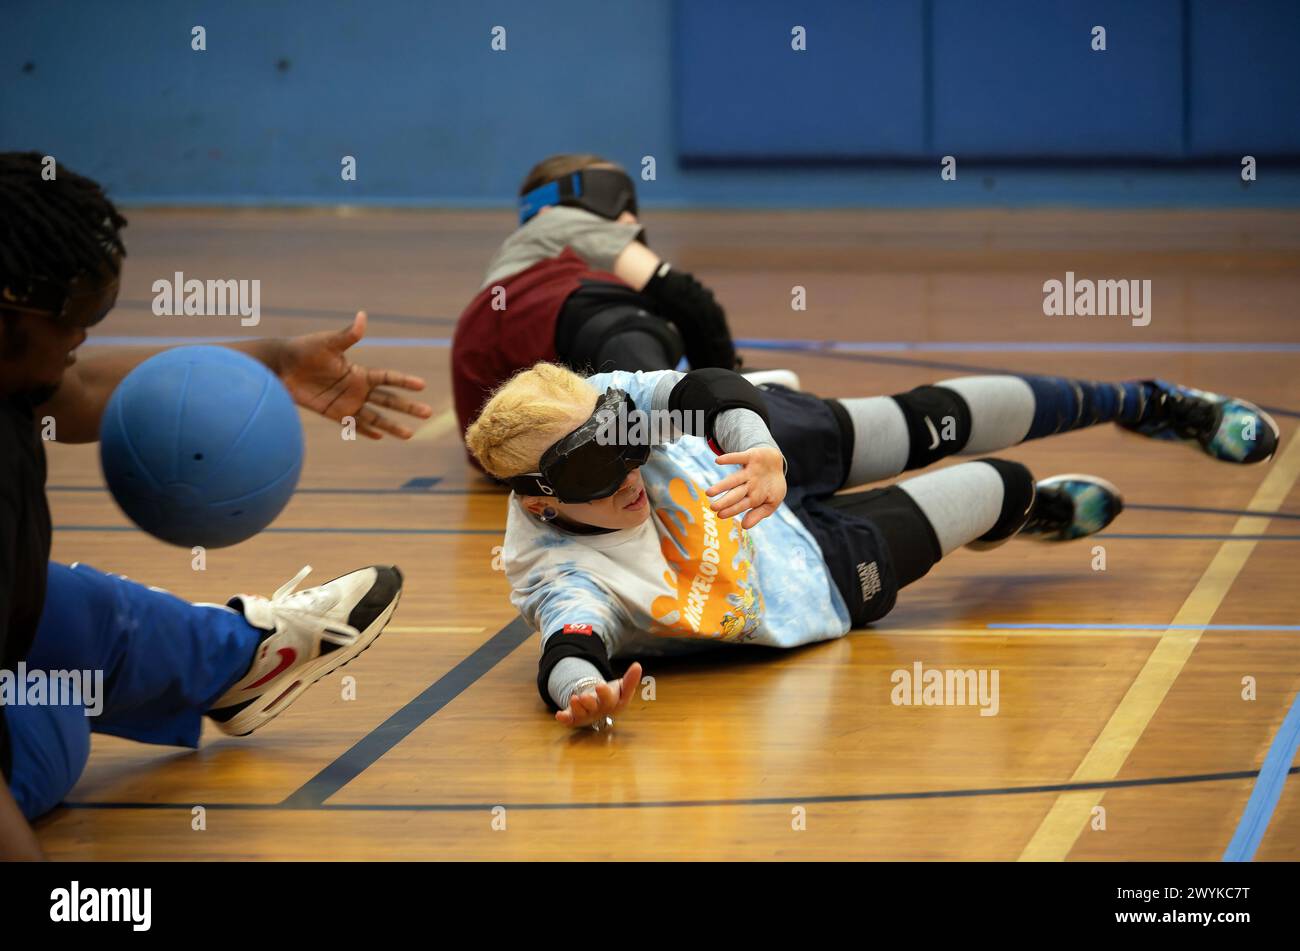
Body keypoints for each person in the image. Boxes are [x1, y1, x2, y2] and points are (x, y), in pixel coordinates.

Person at [0, 152, 432, 858]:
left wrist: (268, 362)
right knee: (51, 708)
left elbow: (79, 394)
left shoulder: (13, 358)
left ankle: (240, 661)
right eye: (74, 313)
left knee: (65, 601)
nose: (85, 330)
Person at [464, 361, 1277, 730]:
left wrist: (759, 447)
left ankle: (1150, 401)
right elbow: (568, 642)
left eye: (625, 446)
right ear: (543, 500)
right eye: (597, 477)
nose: (629, 476)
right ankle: (1015, 512)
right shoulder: (557, 566)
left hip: (757, 465)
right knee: (998, 481)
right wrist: (580, 693)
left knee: (931, 417)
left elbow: (705, 390)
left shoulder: (612, 405)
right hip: (810, 573)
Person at [451, 153, 759, 463]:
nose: (629, 217)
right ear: (549, 205)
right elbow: (688, 299)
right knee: (626, 327)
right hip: (570, 321)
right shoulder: (560, 221)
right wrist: (724, 382)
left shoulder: (516, 255)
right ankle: (693, 454)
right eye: (613, 197)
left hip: (499, 421)